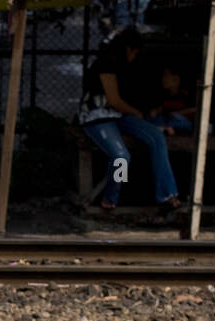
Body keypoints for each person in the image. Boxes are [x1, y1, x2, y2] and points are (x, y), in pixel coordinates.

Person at [78, 28, 182, 217]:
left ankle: (168, 194)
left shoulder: (121, 66)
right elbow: (114, 101)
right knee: (121, 157)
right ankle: (111, 197)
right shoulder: (106, 64)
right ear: (128, 49)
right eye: (134, 52)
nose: (135, 57)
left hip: (118, 116)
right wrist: (136, 113)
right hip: (97, 116)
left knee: (157, 137)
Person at [149, 66, 196, 135]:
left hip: (180, 121)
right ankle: (165, 129)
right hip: (166, 121)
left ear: (176, 79)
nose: (163, 79)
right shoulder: (164, 95)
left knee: (186, 124)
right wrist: (155, 111)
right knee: (155, 119)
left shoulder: (185, 94)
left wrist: (178, 114)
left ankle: (168, 129)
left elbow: (195, 109)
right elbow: (160, 110)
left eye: (165, 75)